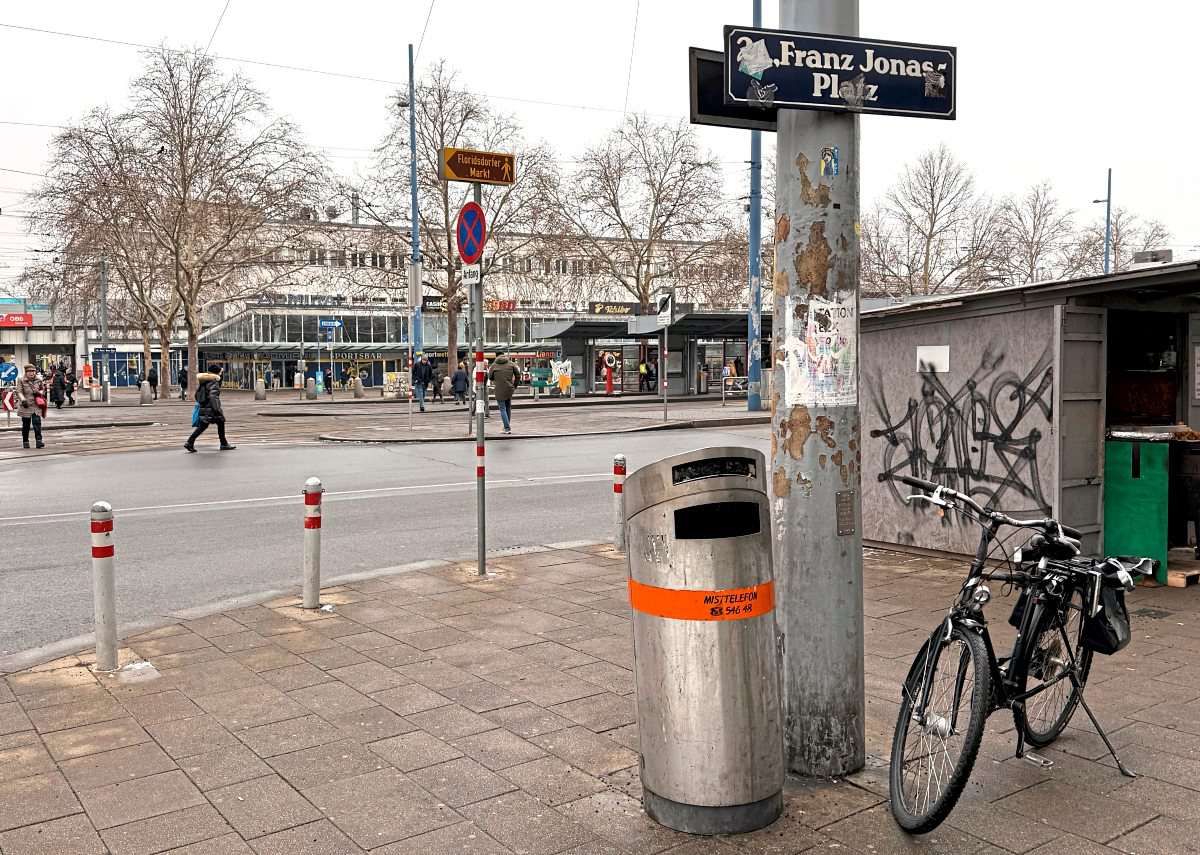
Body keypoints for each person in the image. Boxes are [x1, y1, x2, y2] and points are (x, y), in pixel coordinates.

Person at [185, 365, 235, 452]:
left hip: (205, 407)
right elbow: (213, 397)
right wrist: (217, 409)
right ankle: (223, 444)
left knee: (207, 425)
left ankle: (190, 442)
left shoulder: (204, 382)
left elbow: (197, 395)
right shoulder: (213, 382)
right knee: (218, 422)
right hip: (211, 409)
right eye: (220, 372)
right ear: (217, 373)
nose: (221, 373)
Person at [488, 350, 520, 434]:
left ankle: (506, 427)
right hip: (509, 389)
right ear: (503, 355)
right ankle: (507, 426)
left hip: (499, 389)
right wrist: (515, 385)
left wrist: (496, 378)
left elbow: (490, 377)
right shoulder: (511, 363)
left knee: (502, 408)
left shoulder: (493, 365)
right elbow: (518, 375)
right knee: (508, 407)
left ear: (496, 356)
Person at [16, 364, 45, 449]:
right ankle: (25, 442)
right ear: (26, 372)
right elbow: (19, 391)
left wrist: (39, 393)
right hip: (26, 405)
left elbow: (42, 390)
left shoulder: (39, 380)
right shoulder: (21, 380)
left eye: (33, 371)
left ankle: (39, 441)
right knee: (26, 425)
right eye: (29, 372)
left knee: (37, 424)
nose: (32, 373)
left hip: (36, 405)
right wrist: (23, 400)